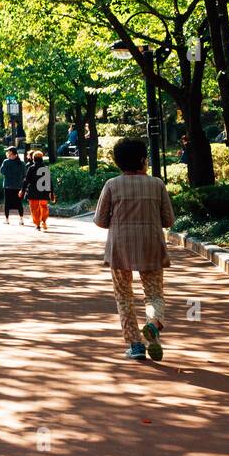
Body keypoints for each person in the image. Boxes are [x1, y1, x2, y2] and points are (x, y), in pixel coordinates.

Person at [93, 137, 176, 361]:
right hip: (151, 247)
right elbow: (168, 220)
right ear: (142, 160)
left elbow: (100, 220)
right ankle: (153, 324)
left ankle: (136, 345)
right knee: (154, 294)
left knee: (124, 297)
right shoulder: (157, 184)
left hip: (120, 249)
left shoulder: (112, 185)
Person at [21, 149, 55, 231]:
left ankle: (37, 225)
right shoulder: (46, 168)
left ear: (33, 158)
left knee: (34, 208)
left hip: (34, 191)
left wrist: (22, 190)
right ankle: (44, 221)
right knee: (44, 206)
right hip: (44, 191)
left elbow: (26, 180)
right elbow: (49, 181)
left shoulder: (31, 168)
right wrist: (51, 192)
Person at [0, 147, 26, 225]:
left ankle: (7, 219)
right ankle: (21, 219)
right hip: (18, 186)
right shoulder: (21, 163)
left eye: (8, 152)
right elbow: (24, 175)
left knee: (7, 203)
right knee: (19, 203)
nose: (8, 153)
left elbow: (2, 171)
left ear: (12, 153)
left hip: (8, 185)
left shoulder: (6, 162)